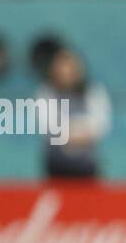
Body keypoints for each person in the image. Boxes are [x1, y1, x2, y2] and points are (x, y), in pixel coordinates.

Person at [39, 48, 110, 180]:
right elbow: (48, 126)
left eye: (69, 68)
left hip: (87, 165)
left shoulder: (93, 91)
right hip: (56, 165)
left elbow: (99, 125)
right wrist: (74, 132)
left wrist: (73, 133)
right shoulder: (46, 92)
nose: (66, 73)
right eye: (61, 68)